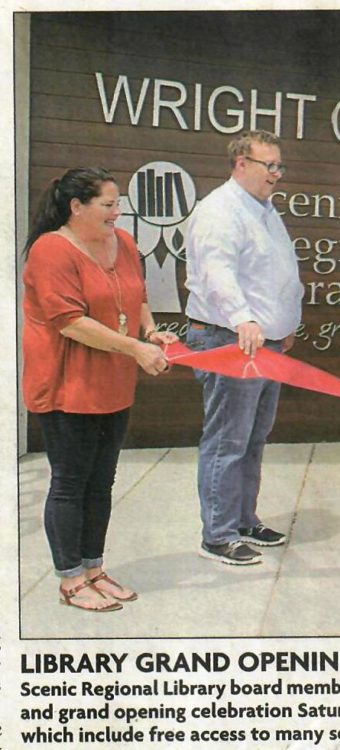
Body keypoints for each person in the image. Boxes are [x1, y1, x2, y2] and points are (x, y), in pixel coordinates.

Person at [22, 167, 176, 611]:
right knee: (71, 483)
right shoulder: (50, 251)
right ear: (76, 207)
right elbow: (69, 322)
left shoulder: (124, 243)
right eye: (108, 205)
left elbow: (138, 297)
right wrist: (134, 347)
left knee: (101, 482)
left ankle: (94, 568)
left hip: (113, 382)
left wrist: (150, 334)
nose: (117, 213)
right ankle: (70, 579)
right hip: (67, 386)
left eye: (118, 204)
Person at [184, 130, 303, 565]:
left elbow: (275, 273)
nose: (276, 174)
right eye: (268, 165)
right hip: (229, 339)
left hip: (266, 344)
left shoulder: (266, 210)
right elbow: (219, 273)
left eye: (278, 166)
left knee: (254, 437)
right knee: (227, 440)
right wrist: (244, 319)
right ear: (241, 164)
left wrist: (284, 324)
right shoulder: (219, 210)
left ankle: (243, 519)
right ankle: (217, 534)